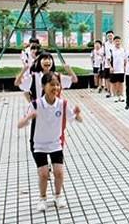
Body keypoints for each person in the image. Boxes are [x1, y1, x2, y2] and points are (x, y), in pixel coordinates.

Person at [17, 72, 83, 212]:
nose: (56, 87)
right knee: (43, 174)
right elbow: (20, 124)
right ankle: (42, 198)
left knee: (59, 172)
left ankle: (58, 196)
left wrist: (78, 114)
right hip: (39, 144)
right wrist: (29, 117)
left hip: (55, 143)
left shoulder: (63, 104)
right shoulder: (35, 104)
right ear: (43, 86)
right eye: (52, 84)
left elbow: (78, 119)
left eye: (57, 84)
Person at [110, 36, 126, 102]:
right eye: (116, 41)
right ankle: (115, 95)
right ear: (114, 42)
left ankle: (121, 95)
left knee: (121, 83)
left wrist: (125, 67)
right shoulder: (111, 50)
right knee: (114, 83)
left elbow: (125, 60)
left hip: (121, 69)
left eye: (118, 41)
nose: (117, 42)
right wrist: (110, 67)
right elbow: (108, 60)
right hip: (114, 69)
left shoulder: (123, 50)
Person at [103, 30, 115, 97]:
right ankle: (108, 91)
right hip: (107, 64)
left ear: (113, 35)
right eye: (108, 36)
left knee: (113, 78)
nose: (110, 37)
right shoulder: (105, 44)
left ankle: (114, 92)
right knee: (107, 78)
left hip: (114, 64)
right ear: (107, 37)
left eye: (111, 35)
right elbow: (103, 54)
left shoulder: (115, 43)